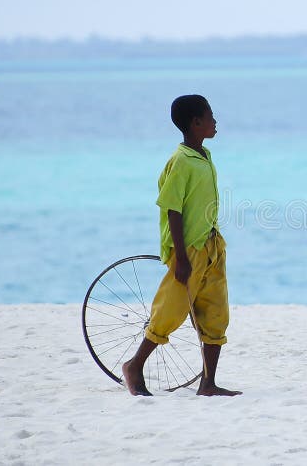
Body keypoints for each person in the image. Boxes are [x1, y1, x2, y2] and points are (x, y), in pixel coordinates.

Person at [122, 94, 241, 397]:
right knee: (170, 311)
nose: (215, 122)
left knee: (216, 313)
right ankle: (135, 366)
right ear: (196, 123)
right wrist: (182, 258)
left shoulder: (203, 156)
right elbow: (172, 209)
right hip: (189, 249)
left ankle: (208, 383)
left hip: (211, 245)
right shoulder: (181, 161)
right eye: (210, 117)